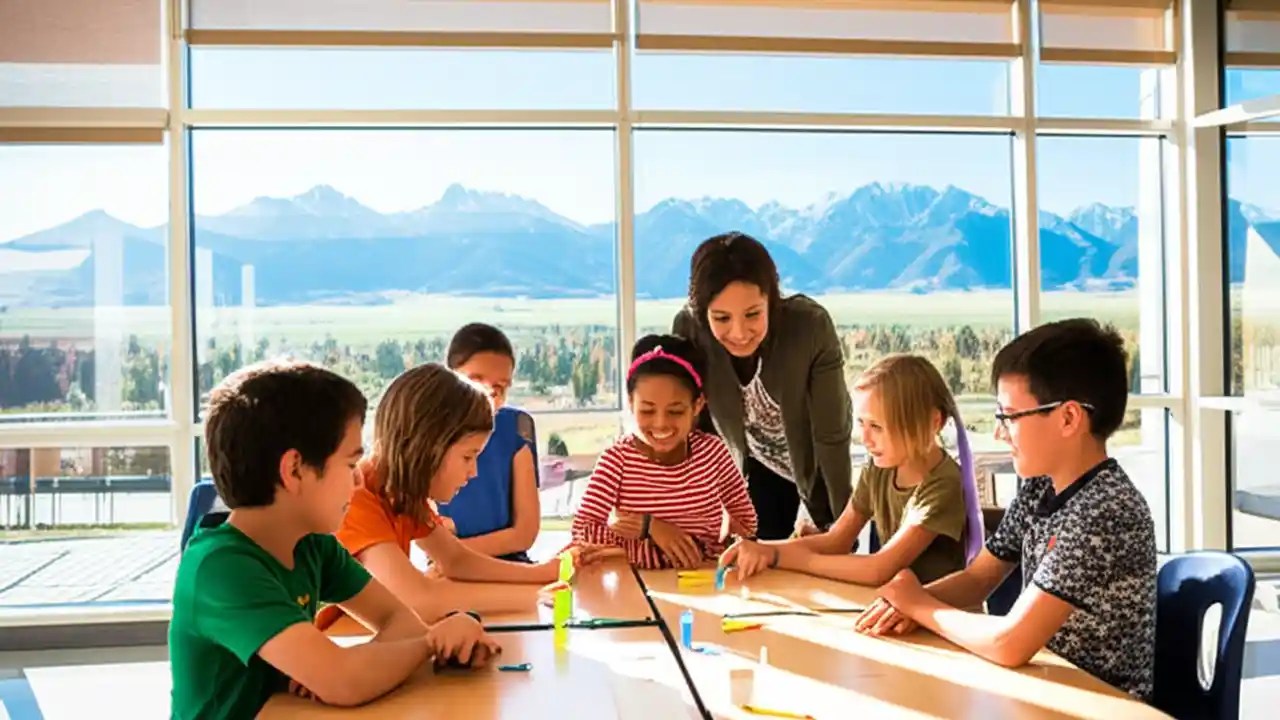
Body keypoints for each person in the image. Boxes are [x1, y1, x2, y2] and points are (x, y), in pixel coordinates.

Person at [170, 360, 499, 718]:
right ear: (294, 470)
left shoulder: (311, 545)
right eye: (350, 464)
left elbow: (401, 622)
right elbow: (345, 681)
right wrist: (431, 643)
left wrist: (353, 668)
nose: (358, 481)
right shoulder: (221, 568)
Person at [855, 319, 1156, 701]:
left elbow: (1009, 642)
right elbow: (979, 578)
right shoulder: (1041, 487)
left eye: (1009, 417)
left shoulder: (1105, 512)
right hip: (1041, 689)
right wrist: (901, 606)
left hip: (1095, 705)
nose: (999, 432)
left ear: (1068, 418)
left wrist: (917, 603)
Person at [324, 363, 594, 629]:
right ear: (428, 446)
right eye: (468, 457)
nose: (474, 472)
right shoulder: (359, 496)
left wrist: (544, 572)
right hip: (341, 638)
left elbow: (456, 560)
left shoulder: (404, 493)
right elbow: (421, 600)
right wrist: (536, 597)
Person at [721, 354, 980, 585]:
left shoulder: (943, 484)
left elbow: (879, 569)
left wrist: (778, 556)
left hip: (938, 614)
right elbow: (837, 540)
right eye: (861, 424)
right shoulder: (879, 468)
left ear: (933, 422)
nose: (865, 439)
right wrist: (762, 548)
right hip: (892, 607)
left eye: (876, 427)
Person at [673, 231, 853, 540]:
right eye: (722, 318)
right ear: (702, 313)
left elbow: (831, 434)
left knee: (822, 548)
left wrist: (841, 528)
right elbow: (698, 429)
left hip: (814, 464)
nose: (739, 332)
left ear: (771, 299)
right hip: (756, 466)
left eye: (753, 314)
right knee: (760, 556)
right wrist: (716, 505)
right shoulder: (690, 330)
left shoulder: (810, 327)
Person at [571, 334, 758, 568]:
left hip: (700, 578)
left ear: (697, 405)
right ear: (631, 403)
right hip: (636, 581)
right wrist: (648, 527)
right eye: (647, 411)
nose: (661, 424)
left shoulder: (713, 453)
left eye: (675, 411)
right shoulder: (616, 461)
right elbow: (582, 531)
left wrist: (722, 546)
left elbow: (746, 522)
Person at [437, 323, 540, 562]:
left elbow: (524, 533)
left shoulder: (517, 427)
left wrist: (453, 552)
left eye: (500, 387)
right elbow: (429, 534)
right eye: (475, 382)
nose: (489, 395)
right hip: (446, 570)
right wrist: (447, 555)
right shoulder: (430, 434)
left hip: (510, 563)